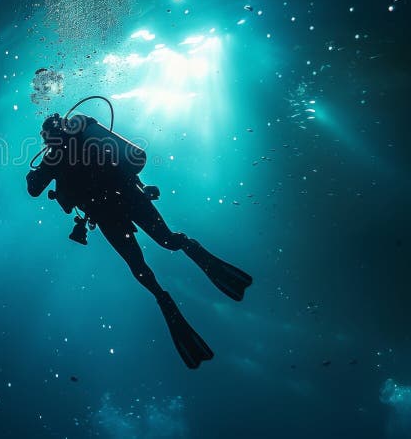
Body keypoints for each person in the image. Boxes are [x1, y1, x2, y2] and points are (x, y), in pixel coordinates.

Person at [26, 111, 252, 369]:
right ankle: (183, 259)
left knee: (141, 262)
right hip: (124, 199)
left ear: (50, 136)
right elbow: (119, 161)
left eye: (48, 136)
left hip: (111, 209)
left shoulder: (59, 153)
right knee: (162, 245)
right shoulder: (73, 143)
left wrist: (41, 167)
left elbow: (34, 188)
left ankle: (163, 295)